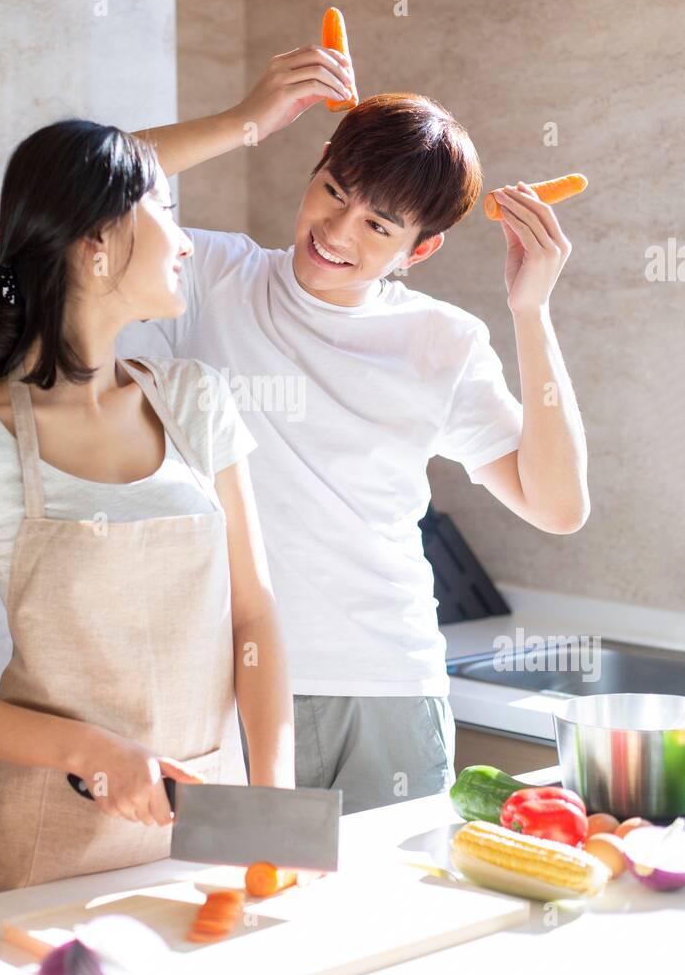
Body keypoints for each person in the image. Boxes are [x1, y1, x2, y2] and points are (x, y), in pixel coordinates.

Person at [116, 45, 590, 813]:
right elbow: (84, 193)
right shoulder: (210, 278)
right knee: (236, 919)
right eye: (332, 191)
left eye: (377, 225)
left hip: (390, 688)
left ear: (420, 250)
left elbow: (558, 506)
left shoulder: (444, 341)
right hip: (231, 685)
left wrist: (531, 312)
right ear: (317, 166)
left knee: (384, 925)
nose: (336, 231)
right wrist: (243, 123)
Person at [0, 120, 293, 901]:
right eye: (165, 210)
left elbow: (254, 615)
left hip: (210, 830)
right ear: (96, 241)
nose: (184, 241)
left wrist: (273, 797)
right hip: (44, 850)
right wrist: (91, 751)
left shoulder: (195, 401)